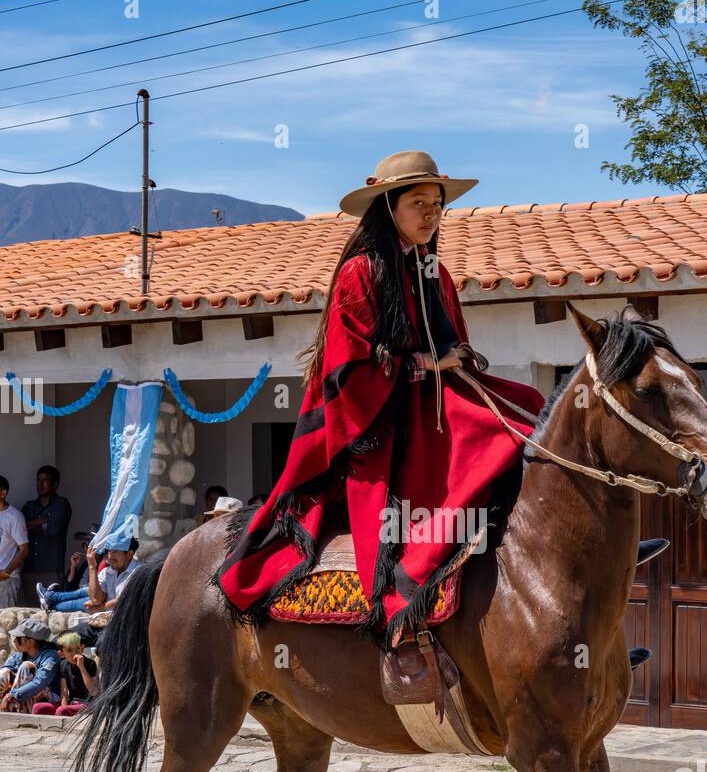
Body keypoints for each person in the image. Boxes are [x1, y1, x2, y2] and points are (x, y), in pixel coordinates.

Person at [215, 149, 548, 646]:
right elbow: (351, 369)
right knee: (494, 433)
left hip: (432, 398)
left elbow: (454, 342)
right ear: (389, 206)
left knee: (531, 404)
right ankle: (398, 605)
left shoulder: (436, 273)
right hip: (376, 418)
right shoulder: (361, 272)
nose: (432, 213)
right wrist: (430, 365)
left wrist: (457, 360)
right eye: (419, 202)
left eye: (438, 203)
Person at [39, 539, 141, 614]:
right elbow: (96, 599)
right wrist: (92, 567)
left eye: (115, 551)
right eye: (109, 551)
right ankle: (50, 600)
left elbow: (126, 599)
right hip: (98, 604)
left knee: (77, 601)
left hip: (119, 616)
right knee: (78, 598)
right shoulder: (107, 570)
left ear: (129, 554)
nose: (110, 556)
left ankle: (50, 601)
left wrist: (101, 607)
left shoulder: (139, 571)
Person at [20, 466, 72, 606]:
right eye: (38, 480)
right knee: (31, 612)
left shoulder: (61, 504)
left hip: (52, 568)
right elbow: (23, 529)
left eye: (45, 480)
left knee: (52, 610)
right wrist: (44, 520)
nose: (40, 484)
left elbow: (54, 530)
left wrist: (34, 525)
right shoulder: (29, 506)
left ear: (54, 484)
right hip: (30, 568)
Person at [31, 631, 98, 717]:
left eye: (77, 649)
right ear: (61, 654)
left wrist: (81, 667)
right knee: (38, 708)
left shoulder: (90, 664)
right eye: (69, 650)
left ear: (82, 648)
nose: (74, 653)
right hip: (72, 703)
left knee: (62, 710)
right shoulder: (63, 665)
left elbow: (94, 691)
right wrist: (64, 707)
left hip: (88, 704)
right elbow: (64, 693)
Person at [0, 618, 61, 712]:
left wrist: (11, 695)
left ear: (30, 642)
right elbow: (5, 670)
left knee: (27, 666)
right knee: (5, 672)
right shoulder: (21, 654)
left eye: (18, 638)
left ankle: (17, 710)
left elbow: (39, 683)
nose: (15, 641)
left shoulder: (50, 656)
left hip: (48, 697)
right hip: (23, 695)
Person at [0, 474, 29, 609]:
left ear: (3, 493)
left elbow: (24, 549)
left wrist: (6, 573)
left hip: (6, 580)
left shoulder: (14, 517)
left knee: (4, 624)